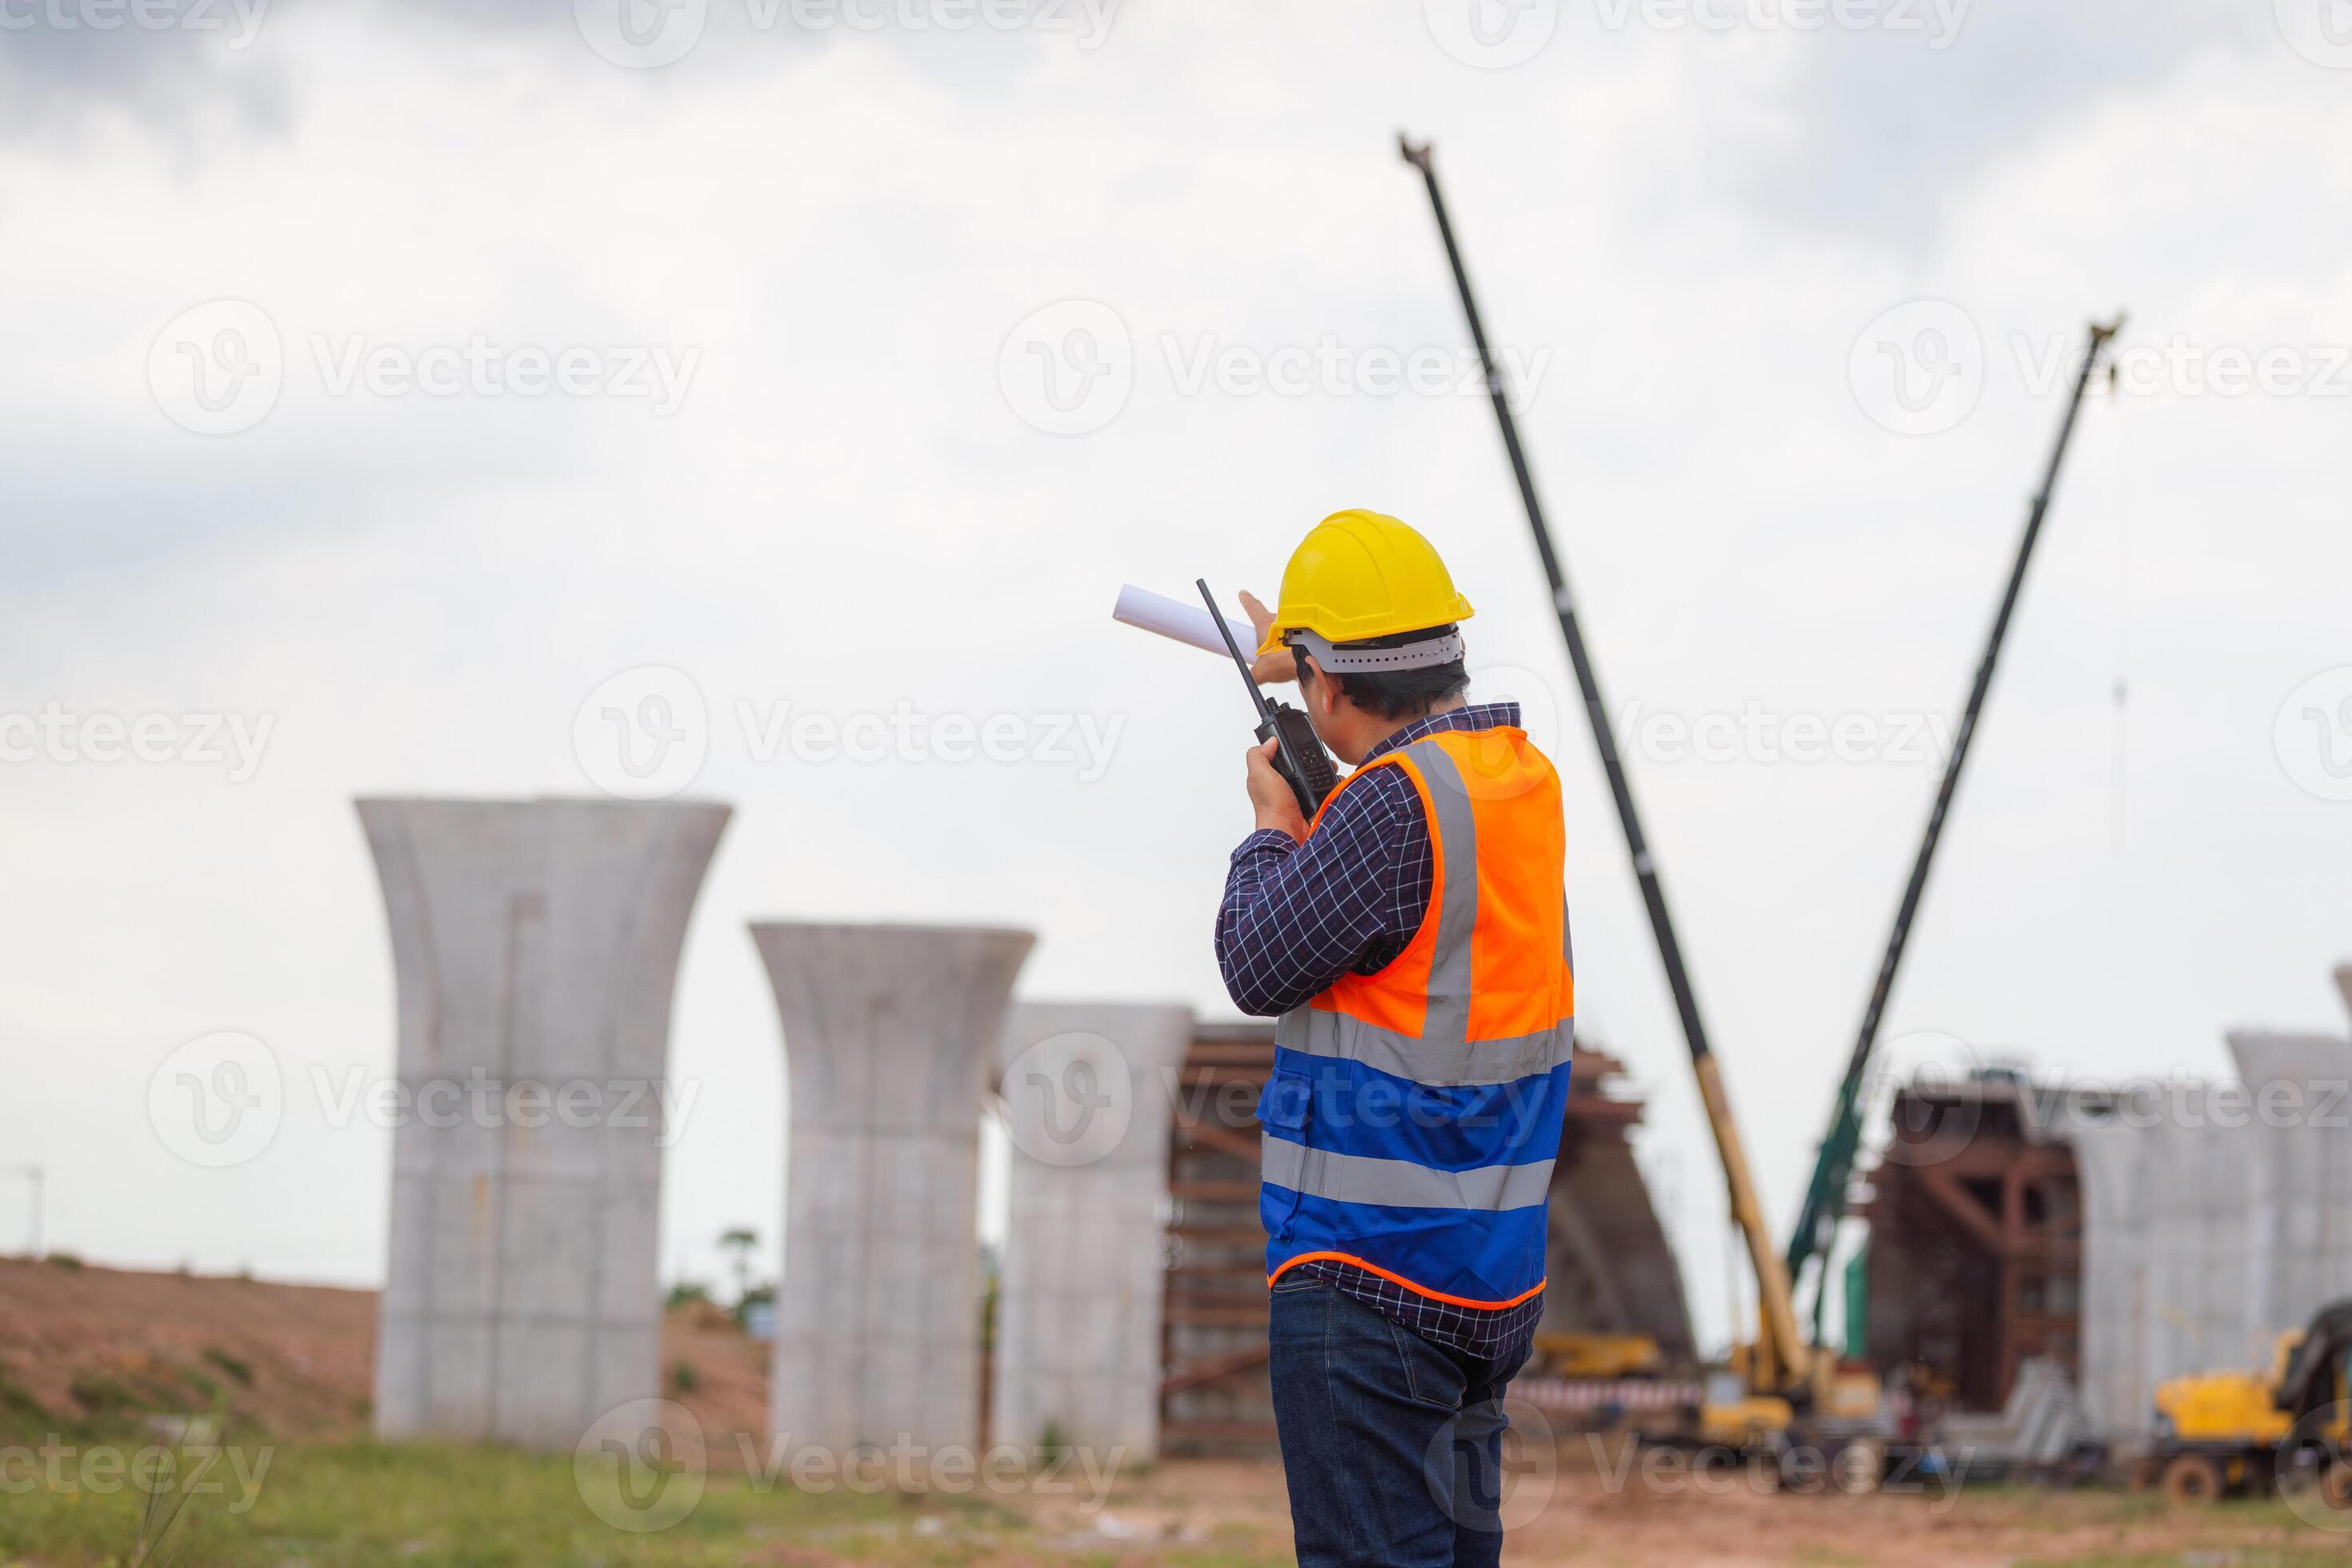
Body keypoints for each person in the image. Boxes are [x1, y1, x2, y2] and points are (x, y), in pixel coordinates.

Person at [1216, 509, 1574, 1568]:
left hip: (1371, 1280)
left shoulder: (1388, 807)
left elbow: (1256, 961)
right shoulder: (1516, 783)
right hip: (1488, 1278)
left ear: (1324, 688)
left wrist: (1277, 823)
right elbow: (1418, 944)